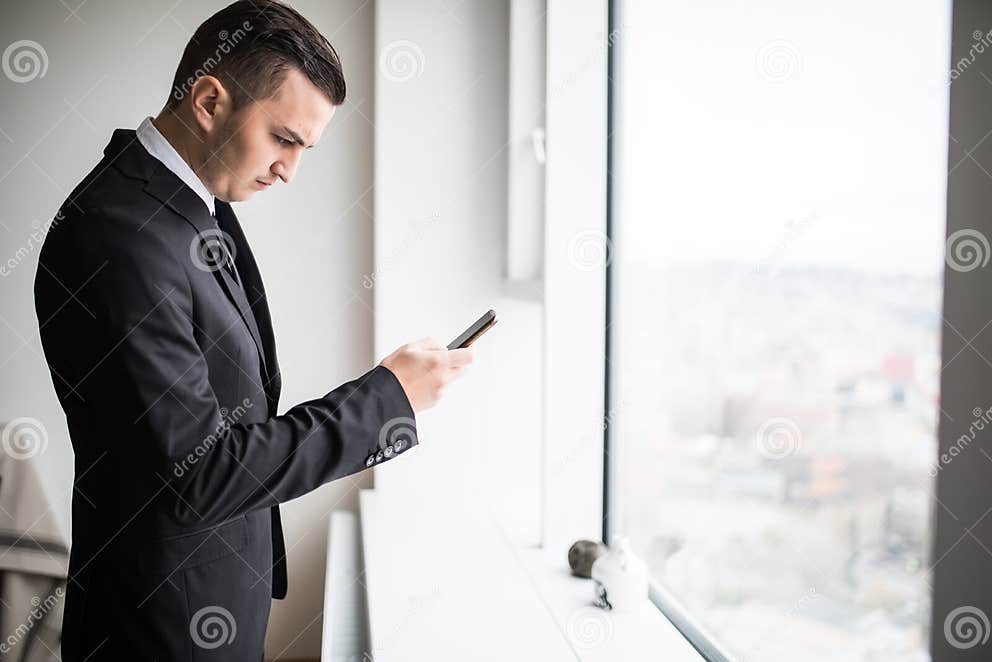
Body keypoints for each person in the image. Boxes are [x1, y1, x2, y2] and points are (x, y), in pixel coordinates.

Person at [32, 1, 474, 659]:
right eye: (285, 139)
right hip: (159, 627)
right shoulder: (117, 235)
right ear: (210, 101)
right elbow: (196, 473)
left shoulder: (185, 199)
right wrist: (387, 401)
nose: (290, 171)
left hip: (206, 599)